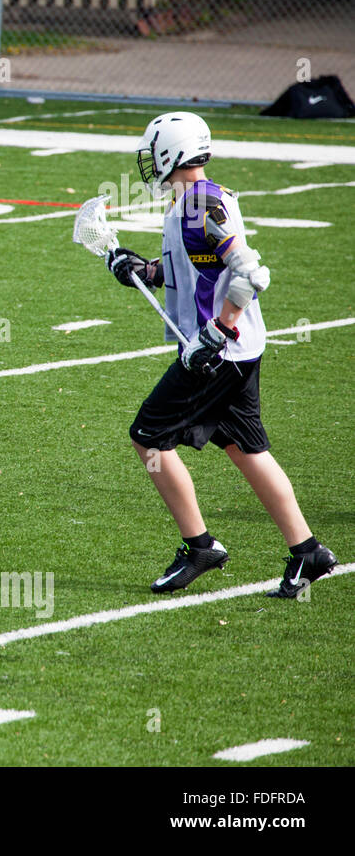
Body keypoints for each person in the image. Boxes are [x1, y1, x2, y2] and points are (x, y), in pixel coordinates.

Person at [107, 111, 336, 598]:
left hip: (217, 355)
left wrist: (217, 331)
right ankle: (308, 552)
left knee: (148, 436)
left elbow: (250, 273)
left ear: (171, 152)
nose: (149, 164)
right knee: (247, 449)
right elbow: (200, 267)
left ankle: (201, 546)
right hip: (239, 351)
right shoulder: (195, 202)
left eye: (153, 153)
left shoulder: (198, 204)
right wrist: (144, 270)